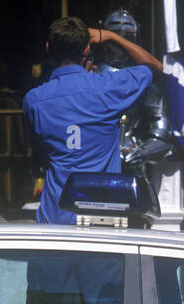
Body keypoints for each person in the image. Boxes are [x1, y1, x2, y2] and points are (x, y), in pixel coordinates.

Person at [21, 16, 162, 225]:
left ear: (48, 47)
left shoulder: (34, 100)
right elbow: (154, 67)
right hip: (101, 218)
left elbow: (38, 157)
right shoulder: (108, 87)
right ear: (87, 49)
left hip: (55, 217)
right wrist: (112, 37)